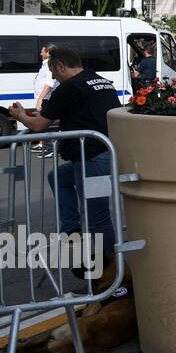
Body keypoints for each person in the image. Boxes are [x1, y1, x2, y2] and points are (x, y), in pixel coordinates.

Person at [7, 45, 120, 259]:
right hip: (103, 155)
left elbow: (39, 125)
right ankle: (72, 229)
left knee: (98, 217)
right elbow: (83, 111)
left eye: (53, 72)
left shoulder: (69, 87)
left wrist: (19, 115)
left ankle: (110, 275)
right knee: (57, 177)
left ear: (60, 65)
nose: (54, 77)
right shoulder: (100, 81)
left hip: (92, 159)